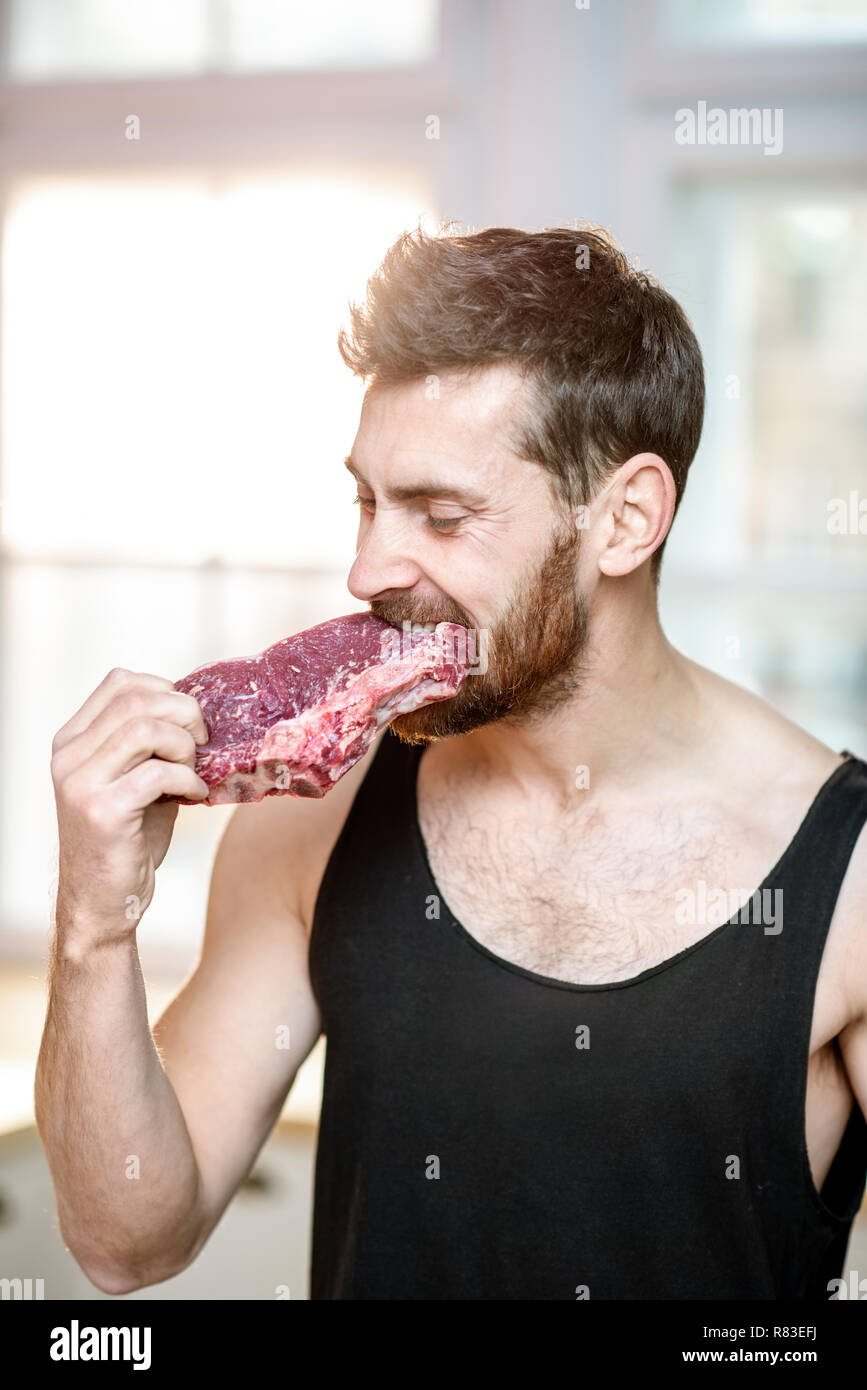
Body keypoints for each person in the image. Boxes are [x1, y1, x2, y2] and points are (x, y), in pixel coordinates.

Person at [38, 223, 867, 1300]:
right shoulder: (317, 820)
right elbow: (127, 1238)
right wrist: (94, 925)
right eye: (368, 501)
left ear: (625, 520)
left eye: (441, 514)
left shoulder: (846, 880)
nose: (368, 566)